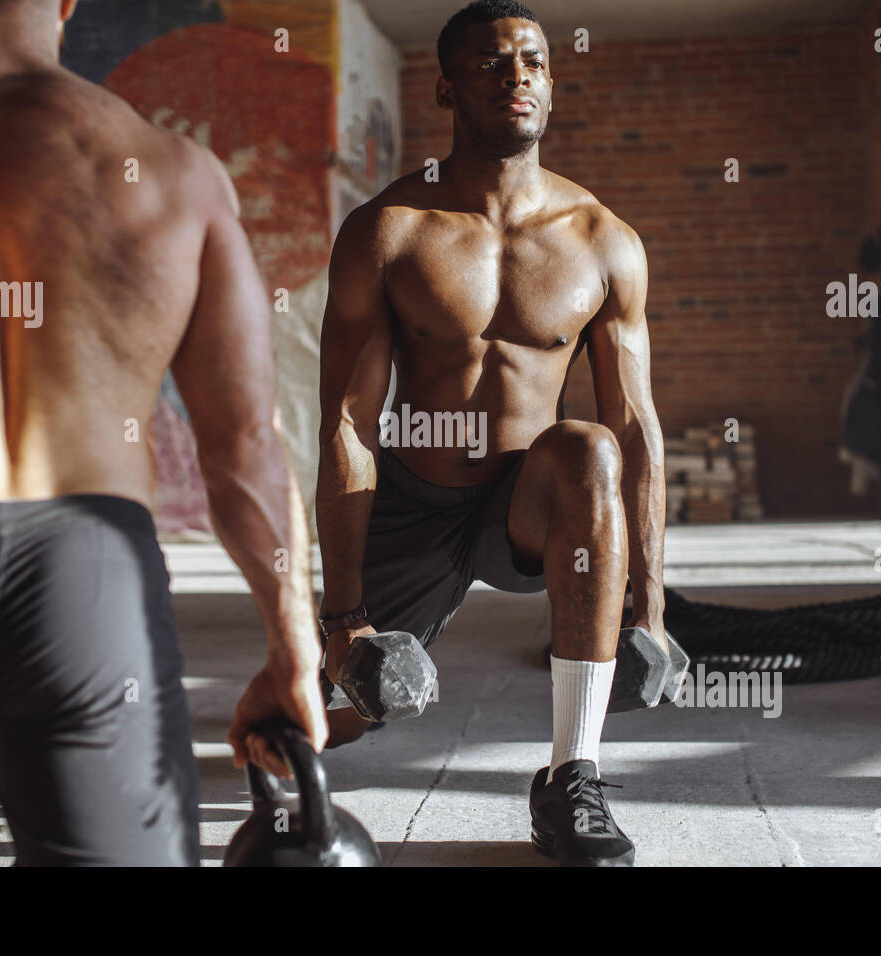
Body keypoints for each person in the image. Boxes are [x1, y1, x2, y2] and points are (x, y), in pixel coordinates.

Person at [0, 0, 326, 866]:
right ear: (68, 3)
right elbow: (244, 446)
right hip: (84, 583)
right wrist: (294, 649)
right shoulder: (176, 171)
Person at [316, 0, 667, 867]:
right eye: (491, 63)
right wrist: (344, 619)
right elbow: (350, 424)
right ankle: (288, 708)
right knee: (323, 726)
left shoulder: (602, 241)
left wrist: (651, 609)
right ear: (446, 86)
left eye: (535, 61)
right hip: (414, 500)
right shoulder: (389, 231)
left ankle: (572, 777)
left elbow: (634, 425)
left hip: (527, 502)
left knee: (589, 447)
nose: (518, 77)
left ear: (552, 79)